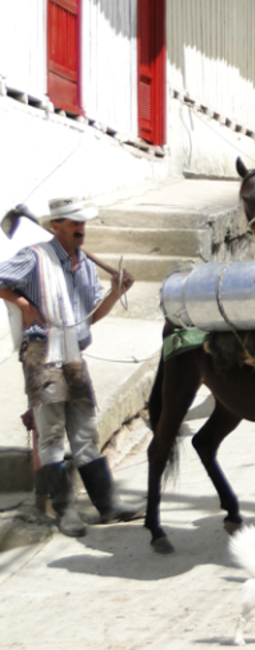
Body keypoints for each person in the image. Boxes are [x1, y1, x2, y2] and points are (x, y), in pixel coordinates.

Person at [0, 196, 142, 537]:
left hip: (74, 353)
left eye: (82, 223)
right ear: (56, 226)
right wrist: (24, 304)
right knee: (50, 433)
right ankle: (65, 513)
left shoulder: (86, 266)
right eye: (74, 223)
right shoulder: (34, 257)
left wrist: (115, 292)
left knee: (84, 431)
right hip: (41, 352)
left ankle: (107, 504)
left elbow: (90, 317)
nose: (81, 228)